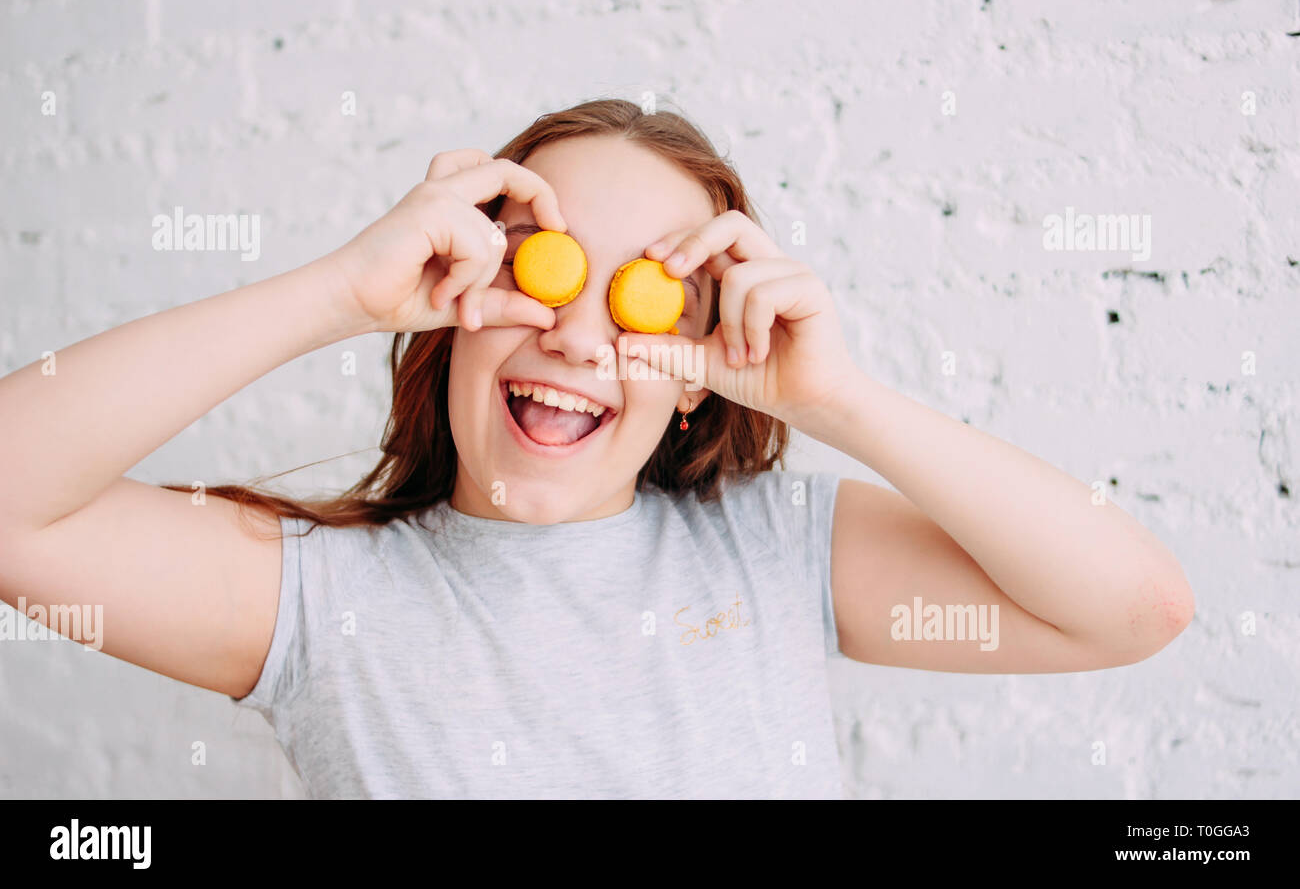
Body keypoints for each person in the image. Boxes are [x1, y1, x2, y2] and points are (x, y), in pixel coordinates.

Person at [0, 99, 1195, 798]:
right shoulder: (318, 595)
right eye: (539, 267)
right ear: (447, 311)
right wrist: (335, 293)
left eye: (640, 300)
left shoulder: (772, 551)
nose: (576, 337)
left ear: (695, 379)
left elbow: (1131, 607)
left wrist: (836, 399)